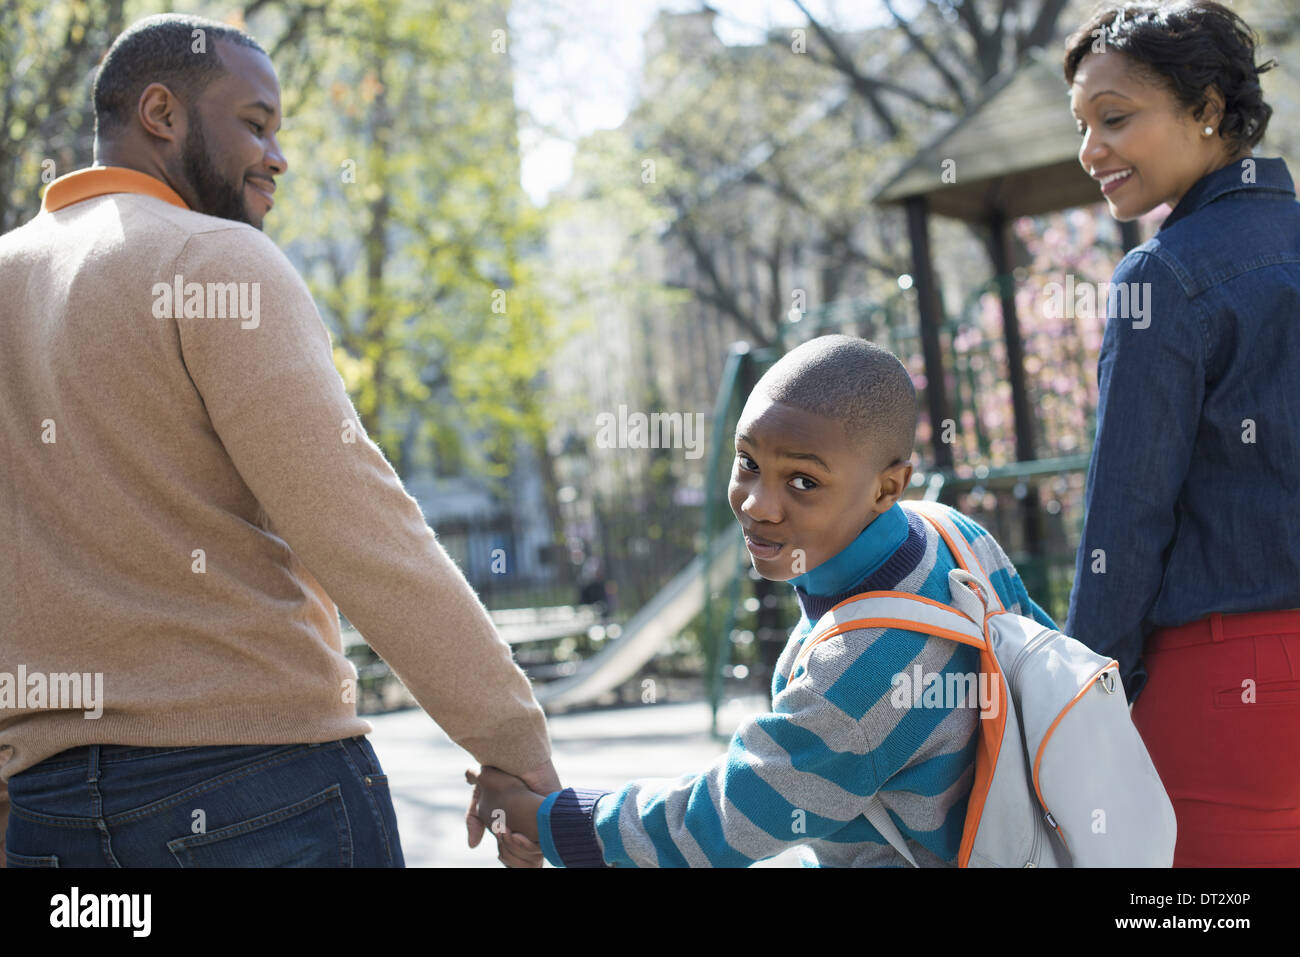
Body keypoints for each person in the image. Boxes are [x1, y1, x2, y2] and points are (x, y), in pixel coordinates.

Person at [0, 13, 554, 868]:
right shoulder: (213, 259)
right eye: (255, 125)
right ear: (162, 112)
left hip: (49, 819)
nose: (278, 157)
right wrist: (513, 741)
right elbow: (361, 528)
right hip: (258, 795)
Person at [468, 335, 1057, 867]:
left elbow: (715, 825)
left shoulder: (862, 672)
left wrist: (539, 818)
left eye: (803, 481)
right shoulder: (954, 533)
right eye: (748, 462)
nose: (757, 503)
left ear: (886, 488)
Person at [1063, 2, 1299, 866]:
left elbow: (1123, 529)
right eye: (1083, 126)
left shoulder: (1161, 277)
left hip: (1222, 693)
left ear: (1207, 106)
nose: (1092, 151)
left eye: (1115, 118)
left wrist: (1077, 708)